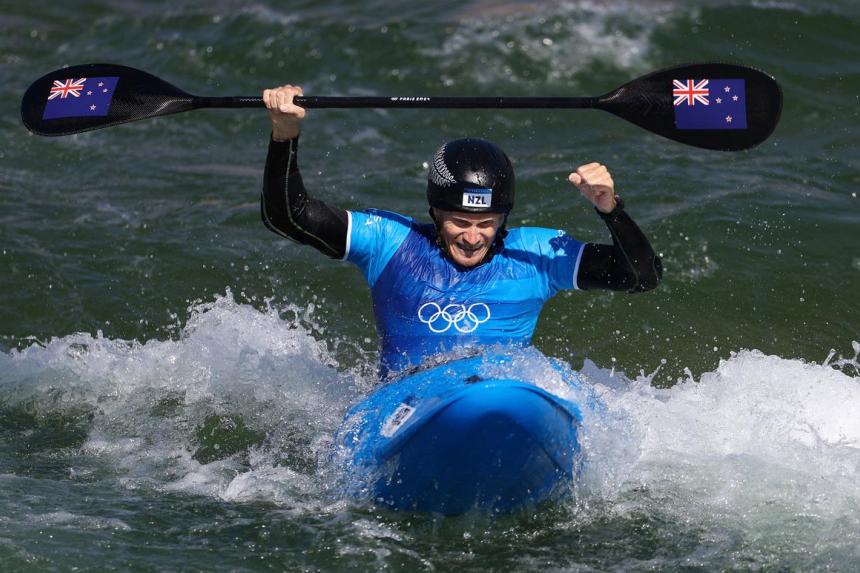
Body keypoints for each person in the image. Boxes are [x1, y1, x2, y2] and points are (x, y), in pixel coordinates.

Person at [261, 85, 662, 378]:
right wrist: (284, 135)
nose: (473, 237)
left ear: (504, 218)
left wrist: (610, 209)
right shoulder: (389, 241)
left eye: (486, 224)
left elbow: (641, 278)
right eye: (460, 222)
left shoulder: (536, 254)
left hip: (501, 398)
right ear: (435, 213)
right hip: (405, 405)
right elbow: (288, 217)